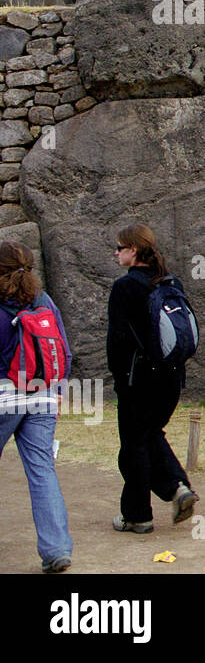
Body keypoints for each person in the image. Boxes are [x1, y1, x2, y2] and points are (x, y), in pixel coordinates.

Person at [107, 224, 197, 533]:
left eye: (120, 247)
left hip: (138, 380)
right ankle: (177, 488)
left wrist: (119, 377)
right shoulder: (171, 282)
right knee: (148, 437)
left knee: (134, 446)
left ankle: (138, 516)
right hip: (171, 378)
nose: (116, 253)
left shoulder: (125, 287)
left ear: (133, 250)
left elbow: (118, 340)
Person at [0, 240, 73, 572]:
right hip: (42, 395)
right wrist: (54, 390)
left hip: (4, 397)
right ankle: (57, 549)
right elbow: (64, 355)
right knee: (43, 472)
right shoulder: (44, 301)